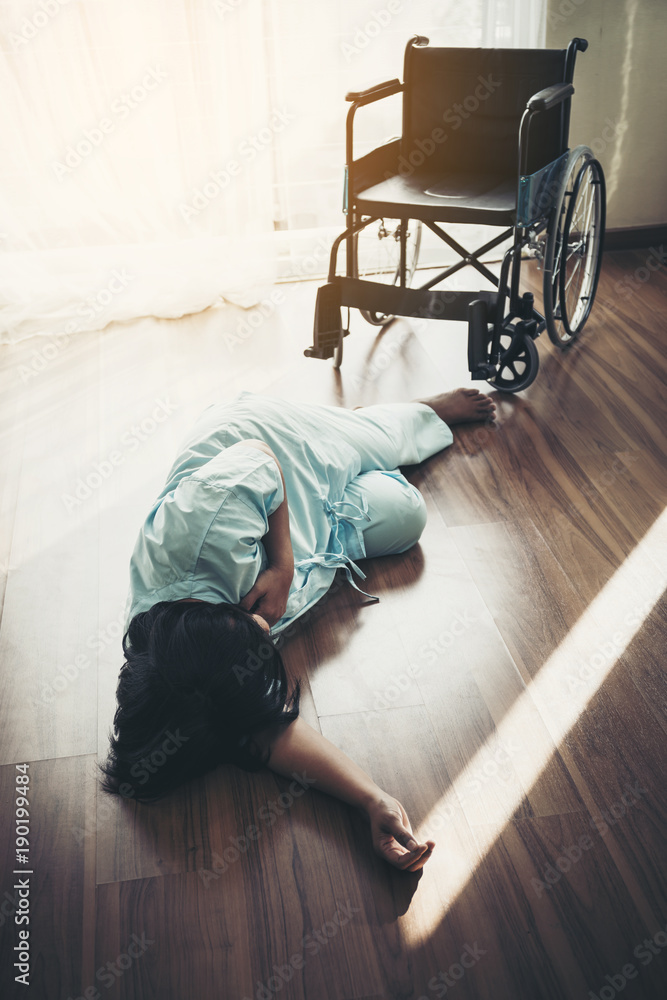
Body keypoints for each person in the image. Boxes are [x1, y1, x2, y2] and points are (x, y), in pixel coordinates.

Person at [100, 387, 496, 872]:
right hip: (291, 521)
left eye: (250, 628)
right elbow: (260, 732)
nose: (265, 631)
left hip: (261, 442)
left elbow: (257, 458)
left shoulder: (200, 526)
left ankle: (388, 417)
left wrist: (283, 566)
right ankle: (353, 454)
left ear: (208, 620)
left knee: (386, 441)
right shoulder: (176, 683)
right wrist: (373, 800)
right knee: (408, 517)